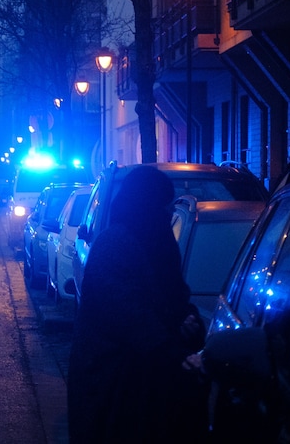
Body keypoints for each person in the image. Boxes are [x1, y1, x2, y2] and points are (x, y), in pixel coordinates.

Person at [68, 166, 208, 443]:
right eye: (162, 205)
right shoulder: (114, 244)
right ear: (146, 205)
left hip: (150, 387)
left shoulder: (157, 241)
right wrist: (172, 351)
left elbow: (175, 294)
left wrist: (187, 319)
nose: (168, 212)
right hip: (114, 388)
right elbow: (128, 313)